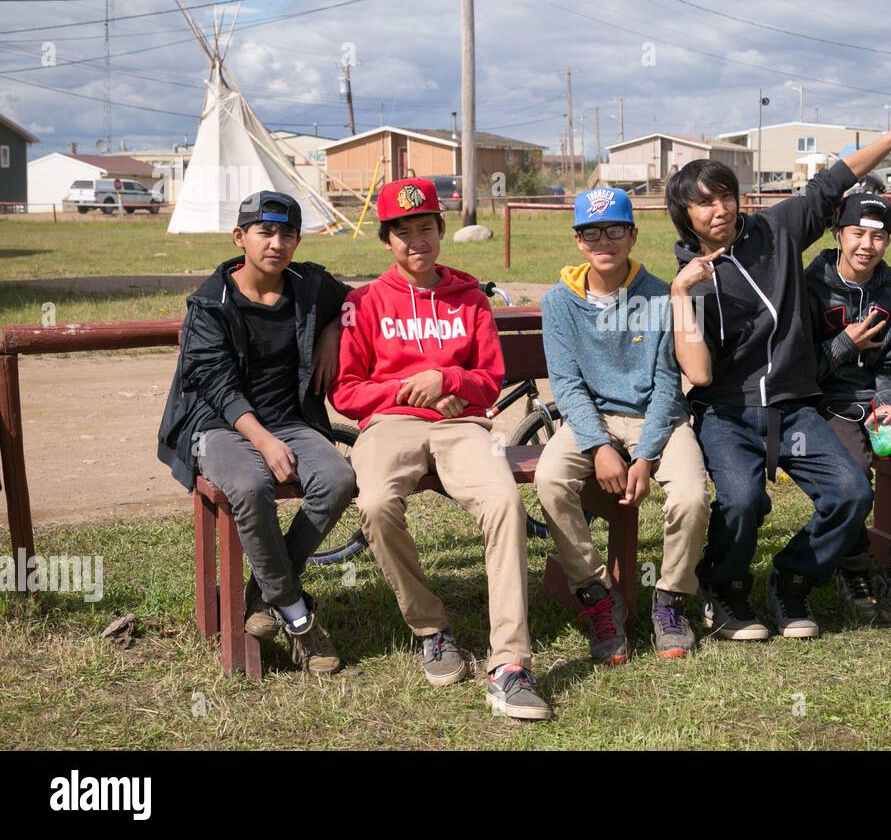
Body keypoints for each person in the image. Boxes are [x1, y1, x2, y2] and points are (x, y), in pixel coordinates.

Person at [669, 89, 891, 640]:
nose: (719, 209)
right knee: (744, 501)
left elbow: (838, 176)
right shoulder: (689, 279)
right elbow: (699, 376)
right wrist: (682, 297)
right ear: (686, 216)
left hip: (794, 408)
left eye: (725, 196)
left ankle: (791, 581)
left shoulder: (777, 229)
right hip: (727, 412)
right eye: (704, 203)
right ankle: (723, 591)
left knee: (851, 494)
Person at [330, 178, 551, 720]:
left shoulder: (469, 298)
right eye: (402, 232)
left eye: (425, 228)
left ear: (440, 231)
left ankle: (510, 664)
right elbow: (346, 390)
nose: (415, 241)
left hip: (463, 426)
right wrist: (413, 391)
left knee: (504, 503)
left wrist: (447, 380)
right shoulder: (363, 303)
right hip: (389, 427)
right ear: (386, 240)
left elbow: (490, 379)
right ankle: (430, 627)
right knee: (377, 504)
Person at [157, 191, 355, 675]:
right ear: (240, 237)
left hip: (291, 420)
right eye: (265, 232)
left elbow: (359, 299)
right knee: (250, 484)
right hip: (218, 426)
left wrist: (332, 329)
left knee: (338, 480)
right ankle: (296, 614)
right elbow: (218, 387)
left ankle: (260, 593)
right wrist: (264, 442)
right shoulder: (210, 303)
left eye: (287, 233)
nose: (277, 243)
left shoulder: (309, 284)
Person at [534, 188, 710, 664]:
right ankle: (596, 595)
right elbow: (567, 384)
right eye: (592, 232)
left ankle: (670, 599)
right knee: (549, 479)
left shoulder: (659, 294)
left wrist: (648, 455)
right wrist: (599, 446)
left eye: (615, 229)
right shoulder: (559, 302)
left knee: (692, 494)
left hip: (660, 420)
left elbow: (668, 385)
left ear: (632, 235)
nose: (603, 240)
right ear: (577, 240)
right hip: (591, 419)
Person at [804, 192, 891, 634]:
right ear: (838, 234)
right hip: (827, 400)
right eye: (858, 233)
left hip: (885, 396)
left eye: (879, 235)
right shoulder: (809, 285)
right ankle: (853, 562)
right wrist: (843, 345)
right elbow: (797, 366)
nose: (867, 244)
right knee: (849, 471)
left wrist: (889, 402)